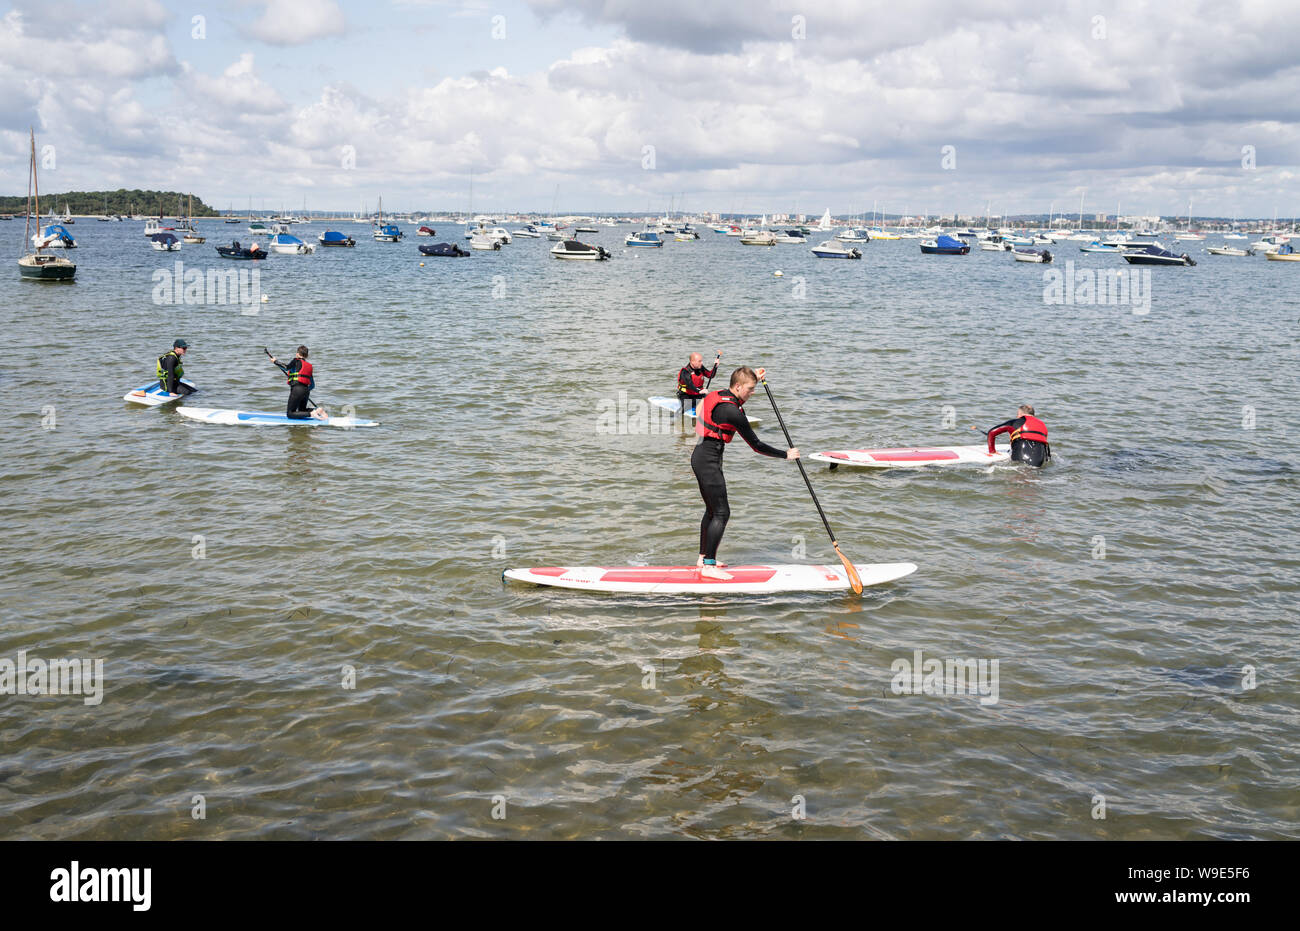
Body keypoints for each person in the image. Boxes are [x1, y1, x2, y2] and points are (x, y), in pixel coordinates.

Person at [692, 366, 799, 580]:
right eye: (750, 389)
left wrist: (755, 377)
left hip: (702, 456)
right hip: (708, 461)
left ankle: (703, 558)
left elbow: (740, 380)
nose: (752, 393)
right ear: (738, 387)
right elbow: (756, 445)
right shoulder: (732, 412)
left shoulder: (722, 394)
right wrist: (785, 455)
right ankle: (709, 566)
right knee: (722, 513)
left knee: (712, 510)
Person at [269, 345, 327, 420]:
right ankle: (317, 410)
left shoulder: (296, 360)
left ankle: (311, 413)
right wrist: (305, 391)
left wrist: (275, 361)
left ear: (297, 354)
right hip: (306, 390)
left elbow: (286, 367)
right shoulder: (309, 366)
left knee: (290, 413)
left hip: (297, 390)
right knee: (302, 410)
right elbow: (312, 385)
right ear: (307, 355)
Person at [676, 351, 719, 415]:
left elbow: (710, 375)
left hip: (698, 395)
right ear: (692, 362)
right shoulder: (685, 372)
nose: (701, 363)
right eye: (699, 361)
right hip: (686, 395)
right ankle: (673, 418)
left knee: (712, 403)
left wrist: (715, 367)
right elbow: (690, 385)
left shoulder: (700, 368)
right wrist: (700, 391)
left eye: (701, 361)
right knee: (685, 408)